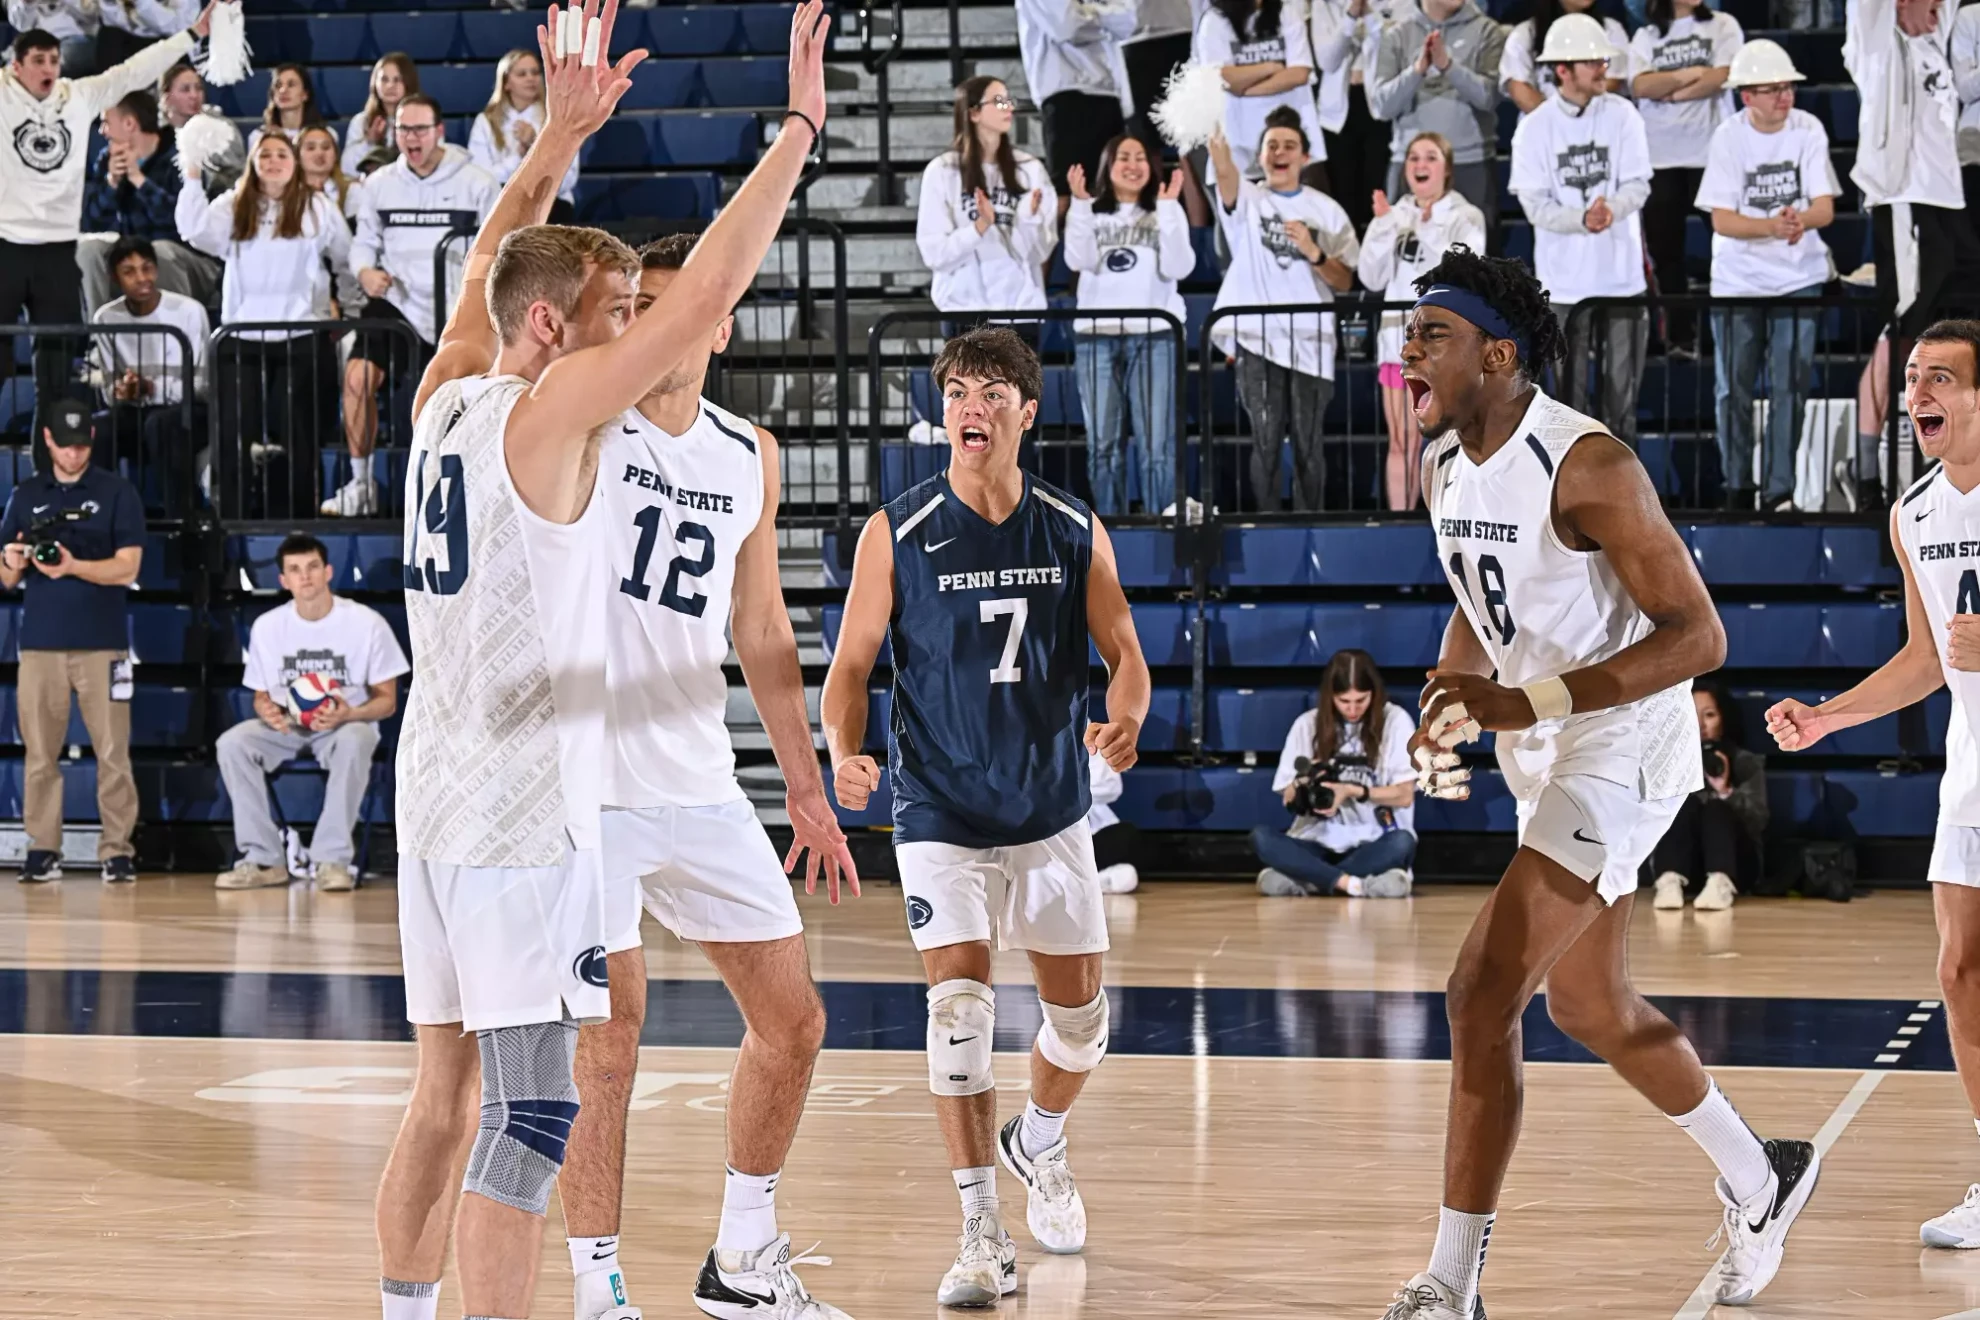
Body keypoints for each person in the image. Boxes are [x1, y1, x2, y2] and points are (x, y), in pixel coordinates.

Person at [372, 4, 827, 1320]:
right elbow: (712, 298)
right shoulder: (546, 414)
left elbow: (486, 269)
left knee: (443, 1100)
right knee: (527, 1121)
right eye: (613, 314)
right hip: (521, 822)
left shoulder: (446, 390)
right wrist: (795, 132)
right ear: (555, 334)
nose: (641, 332)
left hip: (434, 804)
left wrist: (556, 141)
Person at [1380, 245, 1816, 1317]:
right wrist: (1450, 687)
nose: (1407, 351)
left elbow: (1699, 636)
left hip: (1622, 740)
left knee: (1482, 994)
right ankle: (1762, 1177)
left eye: (1431, 334)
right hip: (1547, 742)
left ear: (1501, 353)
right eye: (1407, 333)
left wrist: (1524, 703)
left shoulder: (1587, 464)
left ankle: (1452, 1283)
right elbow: (1483, 611)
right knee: (1590, 1004)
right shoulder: (1445, 463)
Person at [556, 231, 860, 1320]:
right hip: (583, 782)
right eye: (640, 305)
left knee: (795, 1021)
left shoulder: (749, 452)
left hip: (697, 777)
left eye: (678, 308)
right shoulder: (590, 415)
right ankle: (598, 1288)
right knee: (611, 1035)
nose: (653, 322)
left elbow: (763, 624)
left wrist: (807, 787)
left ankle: (742, 1257)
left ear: (719, 325)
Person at [823, 326, 1151, 1304]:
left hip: (1050, 807)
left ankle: (1037, 1140)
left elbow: (1125, 650)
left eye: (993, 394)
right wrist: (846, 750)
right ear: (944, 415)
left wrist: (1124, 717)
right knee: (958, 1016)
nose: (973, 407)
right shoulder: (898, 529)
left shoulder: (1071, 526)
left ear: (1027, 413)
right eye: (959, 392)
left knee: (1082, 1025)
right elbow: (849, 667)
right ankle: (981, 1233)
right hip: (939, 809)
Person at [1764, 318, 1980, 1253]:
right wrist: (1829, 716)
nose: (1920, 393)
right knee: (1960, 971)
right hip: (1972, 769)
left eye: (1942, 378)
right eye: (1915, 378)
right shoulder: (1913, 514)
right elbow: (1926, 659)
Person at [1, 14, 212, 451]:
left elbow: (136, 70)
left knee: (55, 378)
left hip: (56, 251)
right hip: (7, 246)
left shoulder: (79, 96)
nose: (48, 69)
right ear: (15, 67)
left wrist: (192, 34)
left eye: (54, 60)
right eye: (37, 60)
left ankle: (50, 475)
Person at [334, 93, 500, 518]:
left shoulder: (477, 181)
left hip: (456, 306)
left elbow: (501, 246)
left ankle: (471, 490)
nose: (412, 138)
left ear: (439, 131)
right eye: (403, 129)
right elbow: (363, 244)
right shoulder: (378, 184)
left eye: (420, 129)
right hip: (397, 303)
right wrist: (366, 272)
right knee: (356, 379)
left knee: (459, 404)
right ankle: (360, 482)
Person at [215, 533, 408, 893]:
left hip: (344, 724)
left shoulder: (366, 623)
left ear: (328, 571)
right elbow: (261, 694)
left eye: (313, 567)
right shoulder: (268, 627)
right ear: (283, 580)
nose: (305, 577)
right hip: (288, 725)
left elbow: (388, 701)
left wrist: (349, 714)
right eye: (295, 570)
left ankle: (332, 860)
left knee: (358, 738)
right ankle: (263, 859)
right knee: (233, 743)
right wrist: (267, 712)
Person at [0, 403, 144, 884]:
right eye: (65, 443)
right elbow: (5, 577)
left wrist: (72, 566)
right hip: (40, 645)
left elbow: (128, 567)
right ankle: (43, 847)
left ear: (93, 440)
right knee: (40, 753)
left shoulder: (116, 492)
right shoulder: (26, 494)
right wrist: (14, 558)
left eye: (82, 443)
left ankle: (117, 849)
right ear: (47, 439)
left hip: (104, 645)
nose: (73, 452)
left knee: (113, 752)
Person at [1695, 39, 1836, 511]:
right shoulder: (1728, 136)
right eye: (1773, 89)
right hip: (1738, 281)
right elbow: (1722, 220)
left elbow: (1824, 207)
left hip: (1799, 278)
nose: (1785, 96)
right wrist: (1774, 226)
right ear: (1746, 96)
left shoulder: (1809, 128)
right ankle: (1737, 485)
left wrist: (1800, 222)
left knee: (1789, 389)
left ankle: (1780, 491)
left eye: (1788, 87)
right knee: (1731, 388)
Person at [176, 131, 349, 518]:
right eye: (265, 154)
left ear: (294, 162)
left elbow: (344, 257)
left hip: (300, 335)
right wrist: (190, 172)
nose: (273, 161)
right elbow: (192, 229)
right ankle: (234, 517)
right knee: (236, 432)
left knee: (298, 432)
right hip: (242, 337)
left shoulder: (317, 206)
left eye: (281, 154)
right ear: (253, 163)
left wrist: (339, 304)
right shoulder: (236, 203)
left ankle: (301, 516)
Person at [1847, 0, 1971, 508]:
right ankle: (1865, 466)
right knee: (1897, 331)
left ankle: (1918, 457)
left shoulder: (1935, 40)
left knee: (1926, 334)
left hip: (1943, 202)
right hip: (1902, 195)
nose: (1941, 10)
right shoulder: (1874, 43)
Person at [1508, 13, 1651, 447]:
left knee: (1621, 405)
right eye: (1593, 62)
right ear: (1563, 70)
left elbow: (1638, 184)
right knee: (1565, 410)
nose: (1603, 69)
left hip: (1622, 281)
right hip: (1564, 286)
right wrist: (1580, 219)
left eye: (1603, 62)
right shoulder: (1534, 127)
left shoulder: (1624, 115)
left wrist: (1613, 209)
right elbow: (1533, 204)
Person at [1209, 108, 1360, 511]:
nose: (1279, 152)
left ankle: (1312, 525)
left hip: (1311, 341)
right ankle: (1268, 527)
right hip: (1258, 342)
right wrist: (1212, 125)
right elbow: (1224, 170)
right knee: (1265, 440)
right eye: (1271, 145)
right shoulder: (1249, 199)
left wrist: (1314, 251)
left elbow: (1345, 281)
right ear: (1259, 156)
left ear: (1305, 158)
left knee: (1310, 444)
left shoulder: (1328, 211)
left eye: (1289, 145)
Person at [1357, 130, 1485, 509]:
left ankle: (1443, 527)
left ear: (1446, 169)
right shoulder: (1394, 214)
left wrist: (1420, 233)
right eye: (1413, 158)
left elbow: (1464, 272)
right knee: (1402, 440)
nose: (1420, 165)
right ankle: (1400, 522)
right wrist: (1384, 226)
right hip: (1398, 344)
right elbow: (1370, 276)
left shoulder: (1465, 215)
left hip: (1446, 350)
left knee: (1448, 441)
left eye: (1430, 157)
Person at [1065, 135, 1192, 515]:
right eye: (1123, 157)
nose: (1133, 164)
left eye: (1141, 157)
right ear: (1108, 164)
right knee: (1102, 443)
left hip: (1154, 337)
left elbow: (1179, 267)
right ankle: (1109, 527)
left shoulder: (1165, 211)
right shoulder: (1090, 210)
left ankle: (1161, 526)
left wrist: (1169, 210)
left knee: (1157, 443)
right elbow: (1077, 258)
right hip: (1095, 338)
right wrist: (1080, 205)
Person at [1251, 648, 1419, 897]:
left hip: (1372, 840)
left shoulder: (1395, 720)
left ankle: (1309, 879)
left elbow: (1405, 796)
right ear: (1330, 696)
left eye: (1361, 700)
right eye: (1344, 701)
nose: (1353, 709)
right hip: (1315, 839)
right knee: (1260, 837)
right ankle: (1353, 884)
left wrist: (1352, 791)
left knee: (1402, 842)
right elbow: (1287, 796)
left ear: (1374, 694)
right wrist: (1306, 784)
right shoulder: (1307, 724)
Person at [1629, 0, 1743, 357]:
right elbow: (1640, 86)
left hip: (1713, 155)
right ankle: (1680, 336)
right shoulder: (1646, 36)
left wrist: (1671, 89)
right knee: (1667, 255)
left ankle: (1731, 335)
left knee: (1727, 249)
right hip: (1659, 158)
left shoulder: (1723, 25)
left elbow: (1722, 75)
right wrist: (1691, 74)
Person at [915, 76, 1058, 337]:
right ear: (974, 113)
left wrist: (1030, 220)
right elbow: (934, 252)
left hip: (1020, 313)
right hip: (964, 312)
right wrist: (978, 228)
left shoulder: (1029, 169)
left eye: (1009, 101)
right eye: (999, 101)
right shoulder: (943, 170)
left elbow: (1040, 252)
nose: (1009, 108)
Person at [88, 235, 207, 511]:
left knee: (160, 425)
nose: (142, 278)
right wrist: (121, 391)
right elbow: (109, 389)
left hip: (190, 412)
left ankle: (180, 520)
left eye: (147, 268)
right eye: (129, 272)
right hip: (138, 411)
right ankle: (100, 516)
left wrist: (151, 388)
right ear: (115, 279)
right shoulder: (106, 318)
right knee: (100, 427)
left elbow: (202, 386)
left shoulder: (189, 311)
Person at [77, 89, 222, 313]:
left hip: (191, 262)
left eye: (106, 122)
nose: (102, 131)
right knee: (88, 249)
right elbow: (91, 223)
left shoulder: (181, 154)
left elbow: (182, 226)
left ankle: (176, 340)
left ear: (129, 124)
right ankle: (101, 336)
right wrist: (112, 183)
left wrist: (138, 180)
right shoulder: (108, 159)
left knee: (160, 252)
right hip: (136, 258)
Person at [1367, 0, 1507, 229]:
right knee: (1406, 256)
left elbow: (1489, 98)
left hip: (1469, 164)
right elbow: (1382, 107)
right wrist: (1417, 71)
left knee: (1477, 261)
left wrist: (1448, 67)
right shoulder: (1396, 33)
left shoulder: (1488, 30)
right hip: (1411, 164)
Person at [1652, 679, 1766, 910]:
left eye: (1710, 715)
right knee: (1683, 806)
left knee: (1716, 808)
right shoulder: (1668, 761)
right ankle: (1669, 882)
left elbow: (1759, 821)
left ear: (1724, 719)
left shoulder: (1745, 762)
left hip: (1737, 866)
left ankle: (1720, 884)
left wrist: (1724, 791)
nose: (1701, 725)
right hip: (1689, 865)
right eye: (1692, 714)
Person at [1015, 0, 1135, 204]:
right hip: (1066, 93)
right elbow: (1067, 27)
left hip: (1109, 92)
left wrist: (1087, 15)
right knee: (1067, 193)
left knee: (1109, 194)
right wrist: (1105, 19)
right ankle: (1059, 237)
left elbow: (1130, 21)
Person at [1193, 0, 1322, 179]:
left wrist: (1245, 89)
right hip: (1239, 149)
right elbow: (1222, 77)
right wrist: (1270, 67)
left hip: (1294, 142)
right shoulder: (1214, 21)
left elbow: (1299, 74)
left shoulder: (1288, 13)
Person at [1310, 0, 1404, 233]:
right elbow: (1327, 61)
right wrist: (1351, 17)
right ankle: (1348, 266)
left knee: (1378, 198)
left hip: (1381, 110)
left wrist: (1371, 18)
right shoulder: (1324, 4)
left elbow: (1394, 52)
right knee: (1343, 200)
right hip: (1336, 115)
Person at [468, 48, 580, 221]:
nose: (531, 78)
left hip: (552, 206)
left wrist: (535, 146)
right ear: (506, 82)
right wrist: (520, 158)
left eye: (535, 72)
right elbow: (481, 179)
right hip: (501, 204)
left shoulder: (560, 118)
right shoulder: (486, 122)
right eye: (522, 74)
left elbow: (567, 180)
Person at [1500, 0, 1630, 114]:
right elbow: (1519, 89)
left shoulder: (1611, 30)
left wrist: (1579, 116)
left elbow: (1613, 82)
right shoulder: (1525, 34)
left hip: (1598, 124)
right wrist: (1558, 121)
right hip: (1543, 131)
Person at [158, 61, 243, 197]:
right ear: (167, 98)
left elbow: (236, 176)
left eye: (199, 88)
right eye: (185, 89)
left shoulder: (222, 128)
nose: (194, 95)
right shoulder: (154, 133)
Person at [342, 51, 418, 178]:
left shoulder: (422, 119)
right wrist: (369, 142)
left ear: (409, 83)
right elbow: (347, 169)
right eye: (384, 79)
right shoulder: (361, 121)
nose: (390, 86)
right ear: (374, 84)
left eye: (397, 80)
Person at [1086, 748, 1142, 893]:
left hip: (1091, 836)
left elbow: (1110, 787)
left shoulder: (1084, 733)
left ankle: (1078, 881)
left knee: (1125, 837)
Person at [249, 62, 327, 154]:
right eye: (278, 86)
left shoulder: (325, 135)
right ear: (273, 95)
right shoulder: (258, 136)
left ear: (305, 94)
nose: (283, 90)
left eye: (291, 85)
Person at [7, 0, 97, 74]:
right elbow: (22, 25)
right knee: (15, 67)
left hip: (75, 40)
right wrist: (28, 4)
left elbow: (91, 17)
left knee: (67, 54)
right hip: (36, 43)